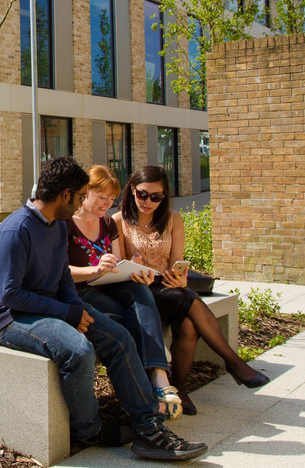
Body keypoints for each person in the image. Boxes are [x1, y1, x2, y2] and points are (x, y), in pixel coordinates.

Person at [0, 156, 207, 461]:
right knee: (79, 350)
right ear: (65, 195)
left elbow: (61, 276)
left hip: (51, 307)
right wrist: (67, 314)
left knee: (119, 337)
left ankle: (149, 430)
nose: (81, 203)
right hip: (10, 318)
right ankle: (90, 430)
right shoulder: (15, 231)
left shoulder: (57, 226)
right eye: (79, 196)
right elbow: (9, 295)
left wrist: (74, 306)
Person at [114, 165, 270, 416]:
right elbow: (119, 268)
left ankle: (182, 387)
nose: (148, 201)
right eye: (143, 194)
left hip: (168, 288)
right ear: (132, 189)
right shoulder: (118, 220)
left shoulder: (173, 219)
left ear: (163, 197)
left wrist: (180, 279)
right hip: (139, 290)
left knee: (188, 323)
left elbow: (178, 263)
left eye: (156, 197)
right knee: (187, 300)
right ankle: (233, 363)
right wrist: (135, 268)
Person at [67, 165, 182, 419]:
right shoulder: (67, 223)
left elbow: (118, 262)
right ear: (86, 193)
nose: (108, 204)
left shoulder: (108, 223)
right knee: (129, 321)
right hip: (82, 290)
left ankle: (159, 378)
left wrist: (134, 269)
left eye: (111, 199)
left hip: (109, 285)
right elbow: (59, 271)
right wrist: (95, 269)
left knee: (141, 290)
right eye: (102, 197)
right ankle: (155, 381)